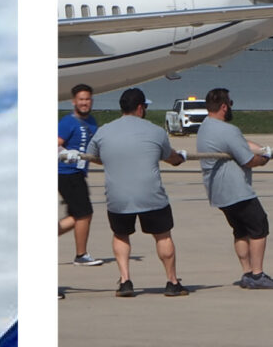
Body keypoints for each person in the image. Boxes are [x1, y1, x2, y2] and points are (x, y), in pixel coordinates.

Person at [88, 84, 191, 297]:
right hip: (151, 195)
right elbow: (170, 157)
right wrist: (179, 158)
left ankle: (125, 280)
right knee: (163, 236)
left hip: (118, 196)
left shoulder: (103, 131)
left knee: (121, 235)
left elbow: (94, 157)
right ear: (140, 108)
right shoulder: (156, 131)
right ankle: (172, 281)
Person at [196, 88, 273, 289]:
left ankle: (247, 272)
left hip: (218, 191)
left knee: (240, 231)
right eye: (230, 103)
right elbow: (249, 159)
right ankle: (258, 275)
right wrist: (265, 158)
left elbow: (242, 144)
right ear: (224, 106)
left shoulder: (206, 127)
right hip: (236, 190)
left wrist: (266, 149)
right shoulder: (227, 130)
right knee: (260, 225)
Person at [58, 83, 106, 267]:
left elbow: (91, 152)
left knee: (77, 217)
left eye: (87, 99)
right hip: (66, 173)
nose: (84, 103)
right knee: (84, 214)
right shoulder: (68, 122)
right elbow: (56, 143)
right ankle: (81, 255)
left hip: (79, 173)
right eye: (81, 100)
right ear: (74, 102)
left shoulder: (92, 122)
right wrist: (65, 151)